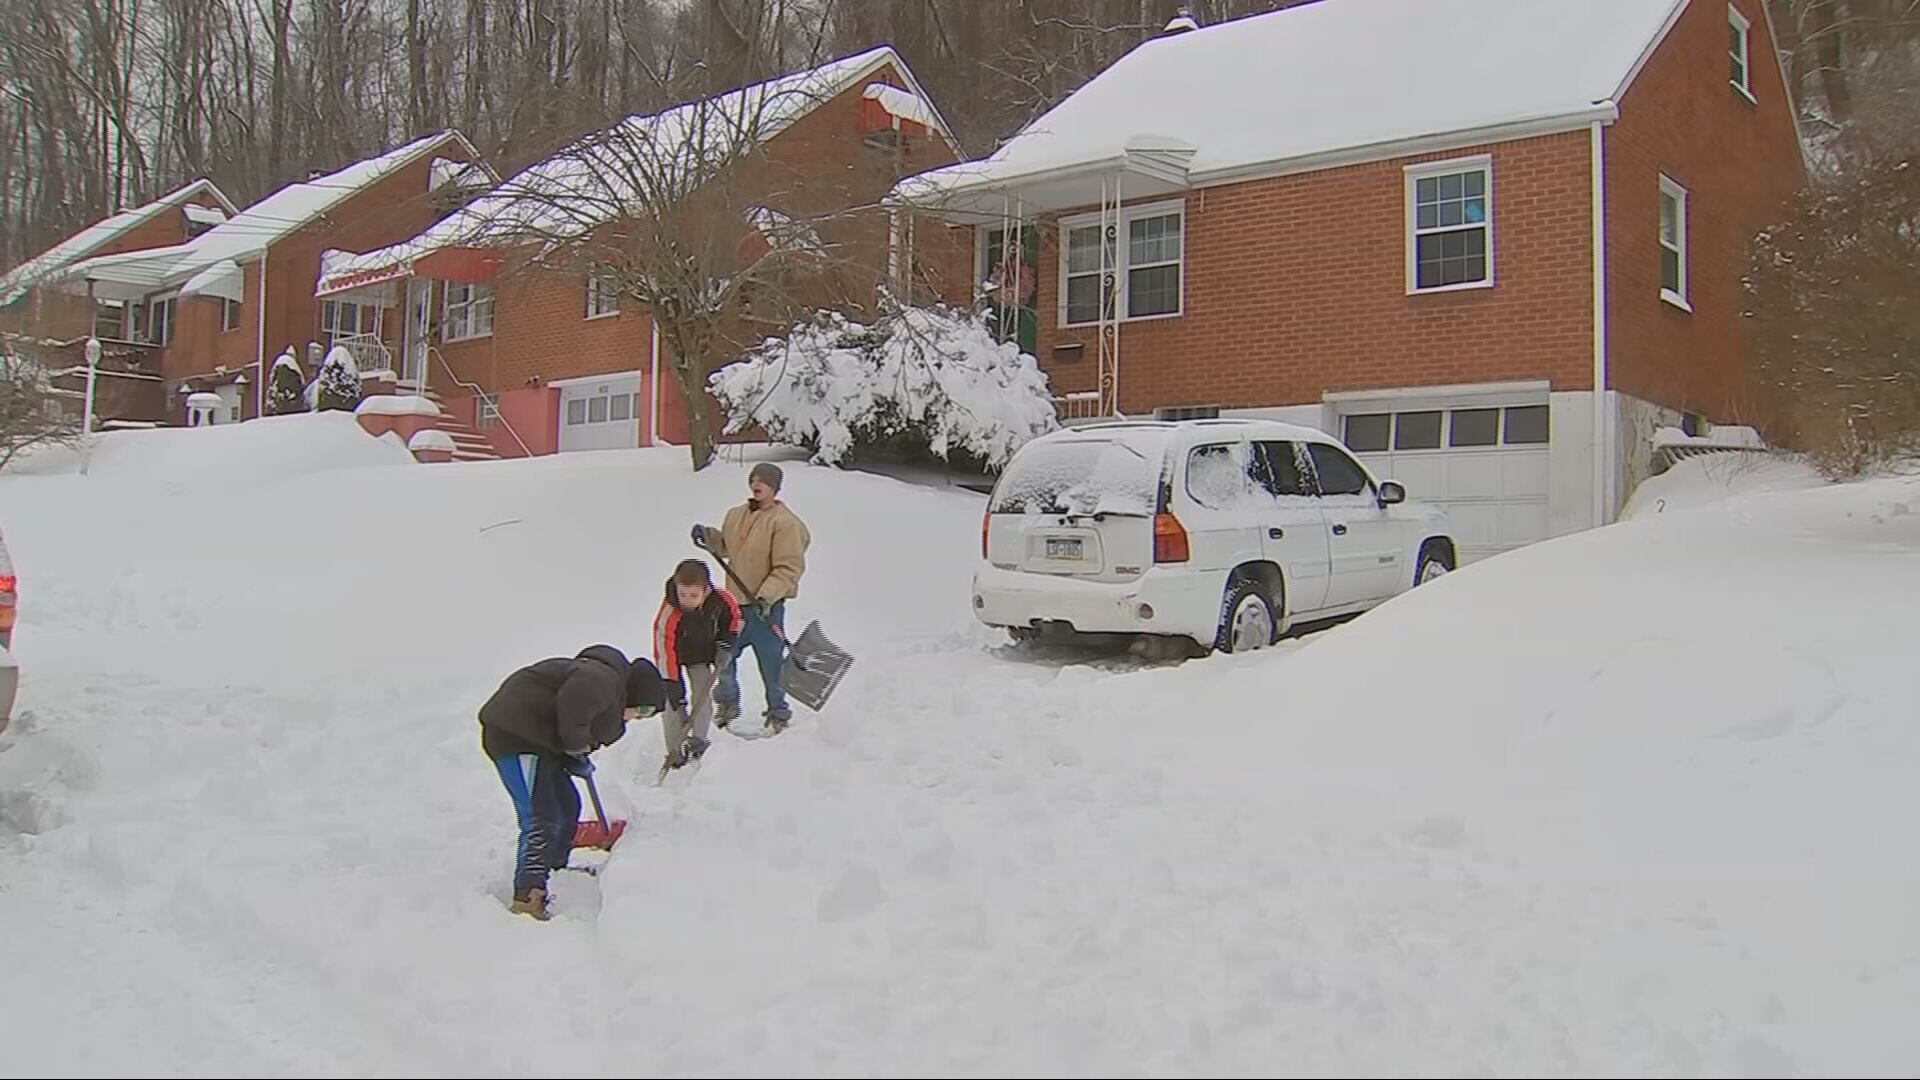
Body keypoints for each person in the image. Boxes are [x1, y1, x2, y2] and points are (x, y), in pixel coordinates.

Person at [477, 644, 664, 920]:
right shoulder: (602, 678)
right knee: (541, 817)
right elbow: (575, 703)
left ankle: (555, 868)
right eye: (644, 710)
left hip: (538, 743)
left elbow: (567, 719)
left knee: (567, 806)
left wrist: (575, 753)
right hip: (514, 739)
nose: (637, 717)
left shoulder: (605, 682)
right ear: (636, 695)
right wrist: (576, 745)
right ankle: (528, 896)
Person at [691, 461, 811, 735]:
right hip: (733, 607)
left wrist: (766, 596)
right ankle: (728, 705)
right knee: (724, 658)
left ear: (775, 488)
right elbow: (727, 547)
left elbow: (788, 568)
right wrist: (709, 537)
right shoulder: (735, 515)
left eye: (764, 481)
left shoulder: (785, 523)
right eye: (754, 479)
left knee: (771, 665)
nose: (757, 484)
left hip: (765, 609)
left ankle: (778, 712)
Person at [652, 558, 742, 771]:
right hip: (673, 657)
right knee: (672, 704)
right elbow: (664, 649)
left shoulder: (722, 599)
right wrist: (671, 682)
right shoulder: (670, 612)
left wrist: (726, 643)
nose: (687, 601)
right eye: (683, 594)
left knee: (702, 697)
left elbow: (734, 620)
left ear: (706, 590)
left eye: (694, 595)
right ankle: (674, 749)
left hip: (700, 655)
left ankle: (698, 740)